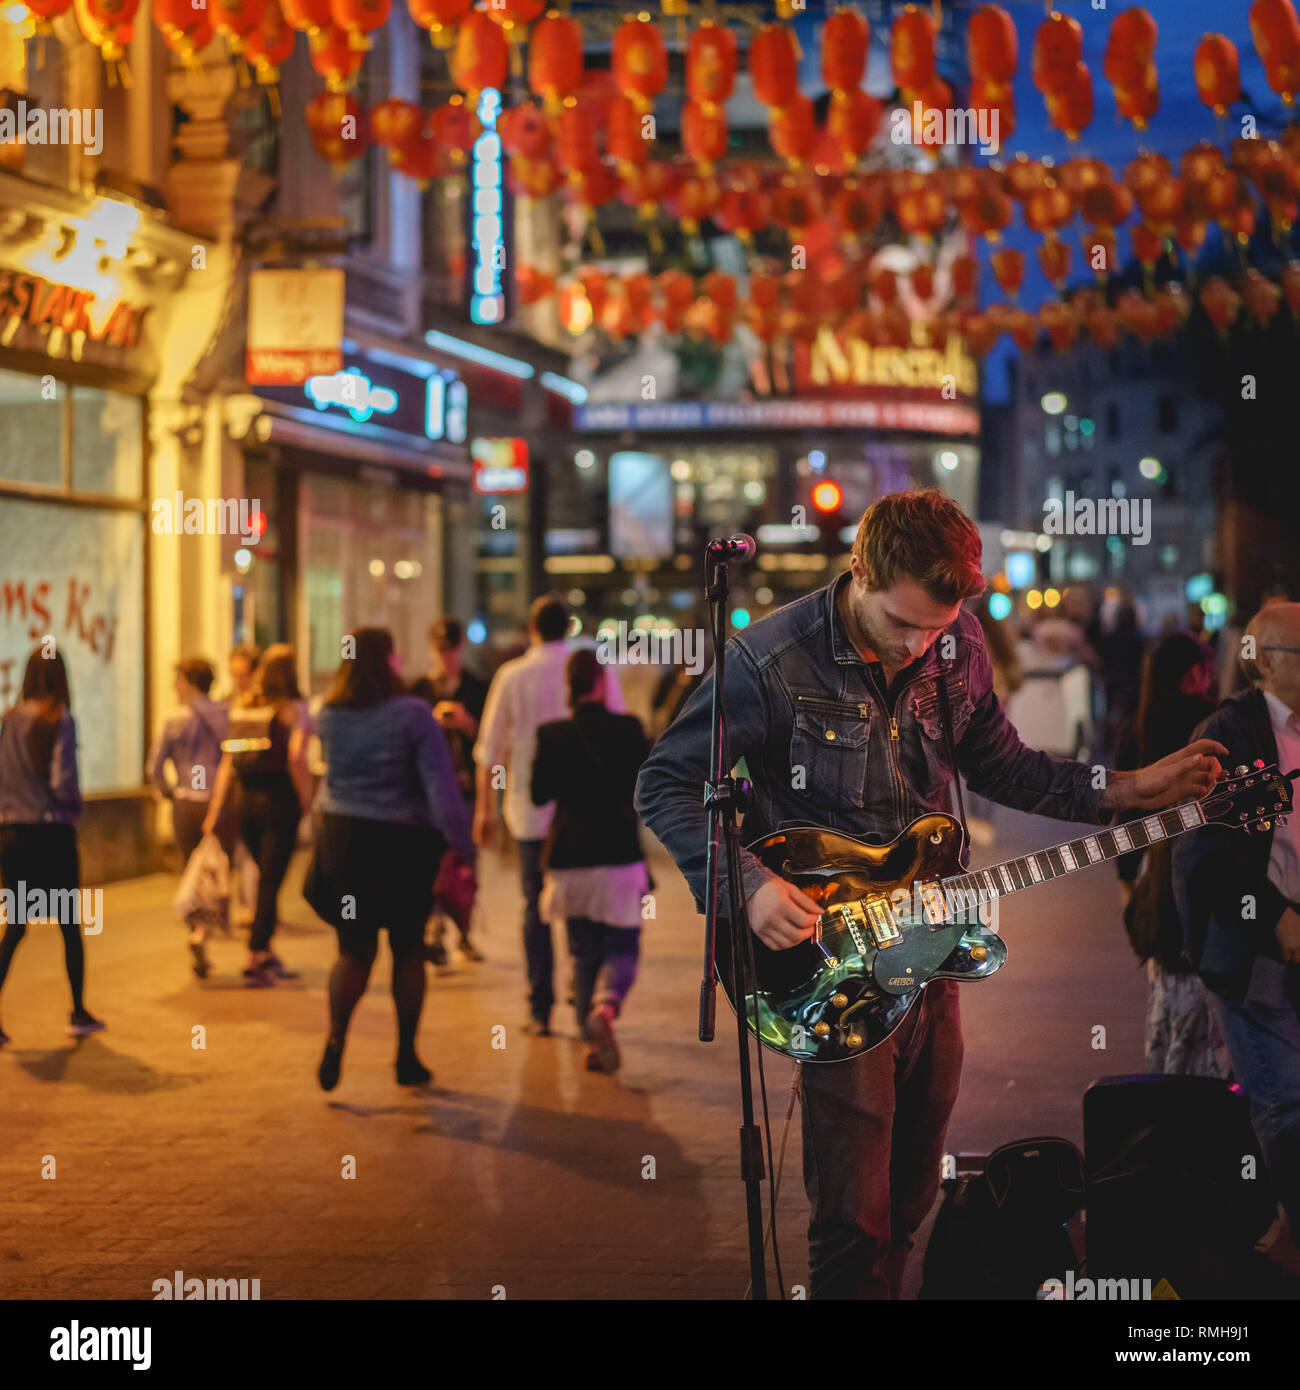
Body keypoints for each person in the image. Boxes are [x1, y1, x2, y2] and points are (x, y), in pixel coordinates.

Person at [636, 489, 1226, 1300]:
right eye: (903, 625)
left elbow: (1006, 766)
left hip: (933, 944)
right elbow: (665, 782)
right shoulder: (770, 660)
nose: (920, 646)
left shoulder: (959, 645)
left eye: (937, 629)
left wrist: (1131, 786)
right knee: (856, 1218)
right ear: (861, 570)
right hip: (828, 961)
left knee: (913, 1191)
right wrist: (747, 885)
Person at [1172, 602, 1300, 1257]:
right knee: (1285, 1100)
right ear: (1267, 662)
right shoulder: (1228, 735)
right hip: (1257, 949)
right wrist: (1273, 915)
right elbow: (1202, 855)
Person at [312, 627, 474, 1091]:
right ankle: (405, 1055)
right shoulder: (412, 715)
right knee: (407, 950)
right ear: (389, 661)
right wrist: (461, 846)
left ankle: (337, 1038)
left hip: (345, 843)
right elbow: (440, 789)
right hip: (403, 846)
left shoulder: (331, 714)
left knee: (353, 950)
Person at [473, 594, 624, 1037]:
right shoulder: (591, 668)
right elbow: (614, 726)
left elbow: (490, 749)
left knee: (534, 909)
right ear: (568, 628)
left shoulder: (511, 675)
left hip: (530, 815)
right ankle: (582, 995)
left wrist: (485, 809)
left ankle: (540, 1009)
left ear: (532, 629)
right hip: (584, 815)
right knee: (582, 908)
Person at [531, 649, 650, 1073]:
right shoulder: (629, 729)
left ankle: (593, 1044)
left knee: (582, 953)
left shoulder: (551, 734)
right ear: (601, 682)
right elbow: (646, 789)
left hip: (569, 862)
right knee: (622, 947)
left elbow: (538, 794)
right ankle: (604, 1009)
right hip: (618, 859)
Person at [1113, 632, 1226, 1077]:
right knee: (1205, 1003)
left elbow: (1122, 822)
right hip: (1198, 870)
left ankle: (1167, 1091)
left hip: (1150, 876)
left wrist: (1128, 895)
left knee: (1168, 994)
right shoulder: (1213, 726)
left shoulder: (1135, 726)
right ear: (1196, 673)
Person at [0, 647, 103, 1041]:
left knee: (15, 927)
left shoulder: (9, 721)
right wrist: (75, 811)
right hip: (50, 835)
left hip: (11, 835)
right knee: (69, 925)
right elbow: (63, 781)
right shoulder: (59, 719)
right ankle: (77, 1012)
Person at [204, 644, 312, 987]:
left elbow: (227, 763)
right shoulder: (293, 709)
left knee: (264, 877)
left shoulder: (245, 706)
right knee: (270, 881)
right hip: (278, 801)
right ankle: (255, 956)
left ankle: (267, 952)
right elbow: (296, 756)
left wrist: (216, 807)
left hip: (244, 801)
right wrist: (306, 797)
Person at [148, 657, 237, 977]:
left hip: (185, 803)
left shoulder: (174, 720)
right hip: (218, 802)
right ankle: (202, 932)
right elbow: (233, 756)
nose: (174, 686)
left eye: (178, 679)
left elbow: (154, 768)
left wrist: (170, 793)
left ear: (189, 682)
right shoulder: (225, 714)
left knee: (190, 869)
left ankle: (194, 931)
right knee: (213, 871)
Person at [410, 618, 489, 965]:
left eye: (450, 650)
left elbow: (490, 741)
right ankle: (435, 931)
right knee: (432, 862)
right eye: (440, 650)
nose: (445, 657)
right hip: (428, 789)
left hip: (465, 788)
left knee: (465, 863)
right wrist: (432, 720)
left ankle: (465, 931)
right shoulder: (419, 689)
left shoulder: (476, 687)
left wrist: (466, 723)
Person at [225, 643, 261, 928]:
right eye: (233, 674)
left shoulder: (261, 706)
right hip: (227, 787)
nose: (238, 680)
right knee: (234, 852)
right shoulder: (225, 703)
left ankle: (255, 909)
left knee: (249, 851)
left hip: (251, 789)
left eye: (243, 674)